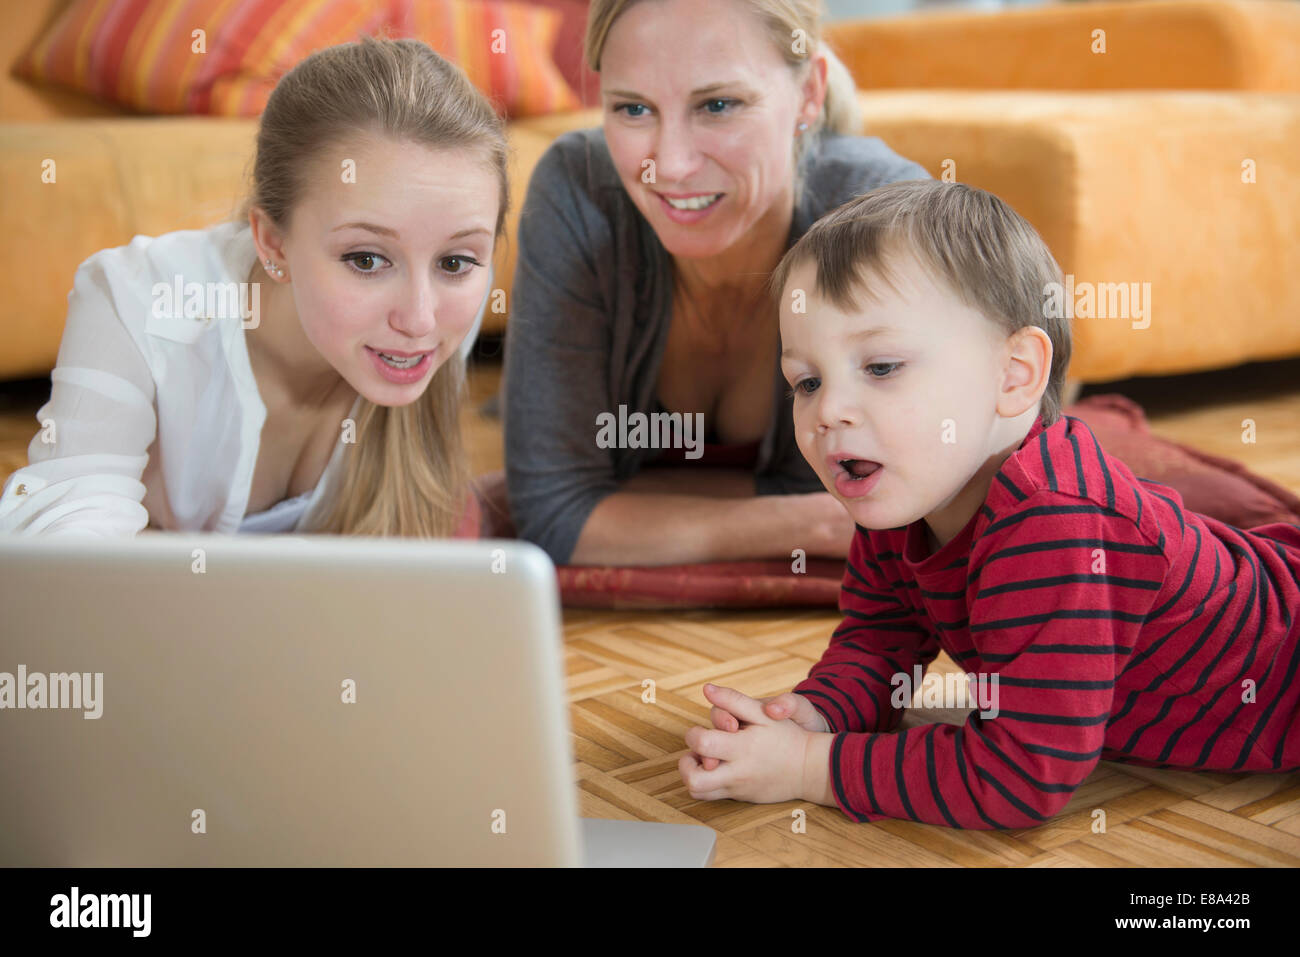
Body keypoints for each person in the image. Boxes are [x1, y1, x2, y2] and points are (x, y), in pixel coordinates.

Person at [680, 180, 1300, 829]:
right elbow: (878, 639)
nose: (829, 411)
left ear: (1015, 374)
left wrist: (812, 765)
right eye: (806, 381)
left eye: (882, 366)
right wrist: (816, 713)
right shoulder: (904, 491)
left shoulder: (1054, 525)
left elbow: (1018, 777)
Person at [0, 37, 507, 539]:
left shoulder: (448, 304)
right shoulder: (136, 300)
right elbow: (61, 551)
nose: (420, 319)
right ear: (273, 242)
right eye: (367, 259)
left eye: (455, 261)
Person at [502, 0, 929, 567]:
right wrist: (816, 522)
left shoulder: (880, 216)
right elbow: (554, 514)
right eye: (633, 109)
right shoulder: (579, 189)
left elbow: (921, 500)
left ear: (808, 94)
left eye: (719, 105)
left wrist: (627, 509)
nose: (671, 165)